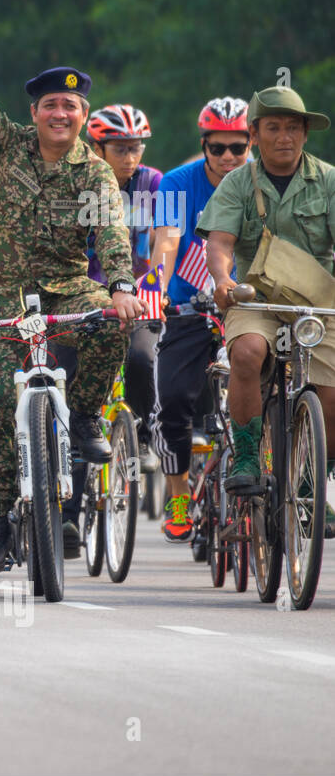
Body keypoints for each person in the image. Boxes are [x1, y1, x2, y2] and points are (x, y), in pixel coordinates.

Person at [0, 0, 143, 575]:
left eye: (70, 106)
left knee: (109, 321)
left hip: (67, 286)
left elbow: (113, 231)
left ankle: (83, 417)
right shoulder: (8, 148)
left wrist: (122, 285)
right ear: (35, 114)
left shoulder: (97, 171)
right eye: (50, 104)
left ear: (82, 115)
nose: (59, 114)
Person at [200, 88, 335, 504]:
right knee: (246, 352)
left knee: (331, 385)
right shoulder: (238, 183)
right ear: (255, 136)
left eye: (293, 128)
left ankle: (314, 479)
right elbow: (219, 244)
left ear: (305, 134)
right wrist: (222, 280)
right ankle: (245, 456)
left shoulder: (328, 180)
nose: (284, 137)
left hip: (317, 304)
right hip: (255, 300)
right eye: (273, 128)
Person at [149, 97, 251, 542]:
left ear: (251, 145)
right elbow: (168, 241)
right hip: (189, 307)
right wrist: (154, 287)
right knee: (171, 400)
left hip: (248, 305)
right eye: (218, 148)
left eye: (238, 147)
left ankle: (268, 467)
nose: (228, 157)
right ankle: (177, 493)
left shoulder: (262, 183)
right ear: (203, 146)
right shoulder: (175, 183)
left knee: (276, 384)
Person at [86, 104, 163, 474]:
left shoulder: (153, 183)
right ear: (97, 148)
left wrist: (159, 282)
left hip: (139, 293)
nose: (130, 158)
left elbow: (167, 239)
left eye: (136, 148)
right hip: (86, 296)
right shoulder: (79, 180)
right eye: (120, 149)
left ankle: (143, 435)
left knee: (141, 359)